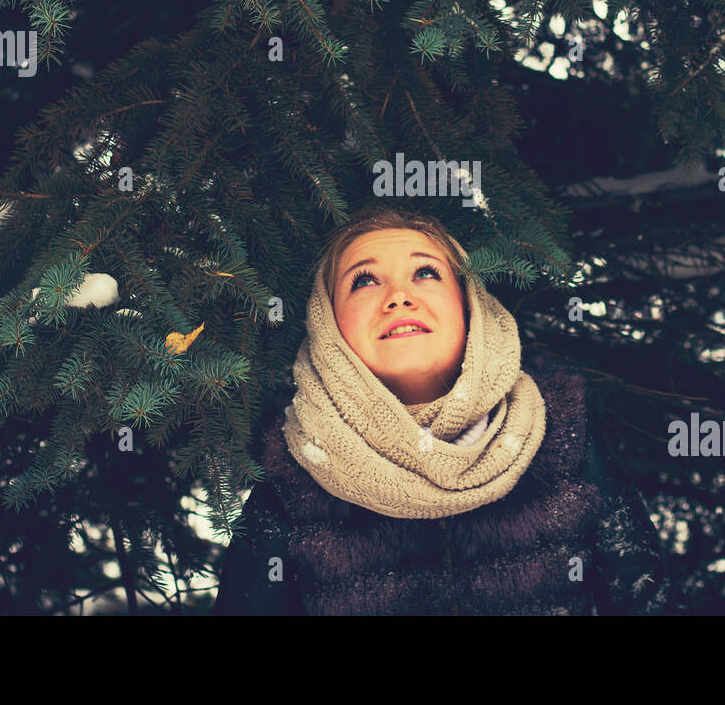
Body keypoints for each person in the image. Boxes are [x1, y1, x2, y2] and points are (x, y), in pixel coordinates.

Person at [212, 203, 682, 615]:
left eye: (426, 272)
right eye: (364, 280)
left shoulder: (560, 434)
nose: (398, 295)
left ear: (469, 304)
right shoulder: (294, 469)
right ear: (327, 323)